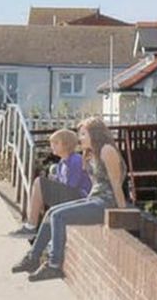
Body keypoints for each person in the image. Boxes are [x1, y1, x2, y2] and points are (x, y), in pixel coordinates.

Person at [11, 116, 128, 282]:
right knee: (52, 212)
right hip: (93, 200)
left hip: (107, 203)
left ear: (94, 133)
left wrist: (123, 212)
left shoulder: (107, 150)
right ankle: (33, 258)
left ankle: (54, 265)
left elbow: (116, 184)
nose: (79, 139)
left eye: (83, 134)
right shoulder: (90, 154)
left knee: (59, 216)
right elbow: (95, 185)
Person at [9, 129, 91, 237]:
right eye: (52, 143)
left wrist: (50, 190)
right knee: (39, 188)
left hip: (80, 198)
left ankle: (31, 226)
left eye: (56, 143)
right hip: (70, 196)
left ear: (66, 145)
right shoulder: (62, 163)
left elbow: (72, 186)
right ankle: (37, 228)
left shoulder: (76, 160)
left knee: (39, 182)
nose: (52, 145)